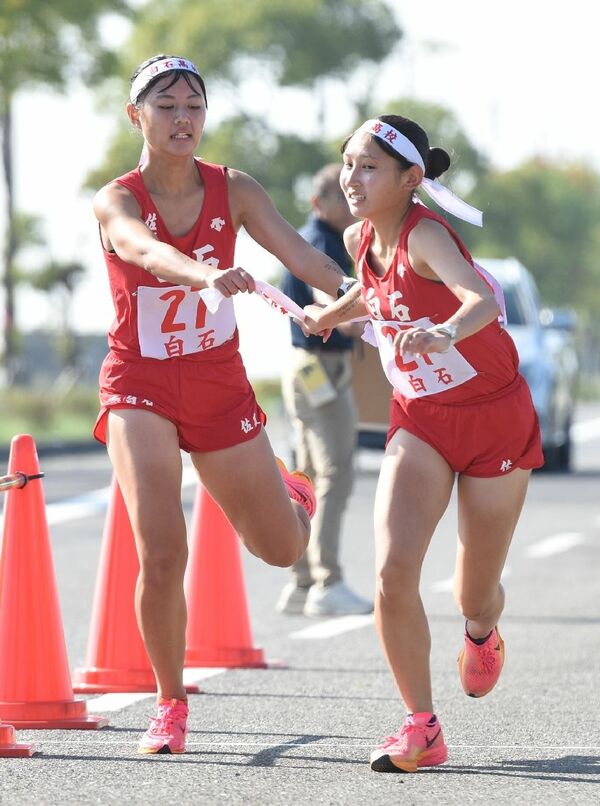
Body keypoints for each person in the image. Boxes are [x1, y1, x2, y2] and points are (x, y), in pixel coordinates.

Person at [92, 54, 352, 755]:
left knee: (281, 549)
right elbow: (141, 250)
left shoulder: (233, 189)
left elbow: (308, 261)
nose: (183, 118)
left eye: (194, 106)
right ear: (137, 116)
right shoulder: (116, 198)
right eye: (168, 105)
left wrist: (356, 302)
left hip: (217, 385)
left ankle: (290, 488)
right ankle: (170, 704)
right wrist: (207, 271)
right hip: (139, 383)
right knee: (162, 546)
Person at [302, 115, 543, 773]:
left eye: (369, 167)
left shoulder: (427, 235)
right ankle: (422, 725)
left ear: (411, 179)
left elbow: (479, 301)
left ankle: (481, 632)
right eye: (348, 163)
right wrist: (331, 313)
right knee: (392, 570)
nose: (352, 177)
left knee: (474, 591)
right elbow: (371, 293)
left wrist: (444, 333)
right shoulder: (360, 239)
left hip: (494, 419)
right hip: (421, 420)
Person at [277, 164, 373, 617]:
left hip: (310, 368)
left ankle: (301, 581)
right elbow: (323, 305)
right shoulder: (321, 244)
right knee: (336, 474)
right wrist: (366, 320)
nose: (353, 195)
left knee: (310, 475)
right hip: (320, 369)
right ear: (320, 203)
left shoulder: (318, 239)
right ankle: (326, 582)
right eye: (342, 192)